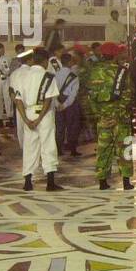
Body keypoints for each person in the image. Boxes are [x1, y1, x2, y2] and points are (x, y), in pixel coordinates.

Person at [84, 42, 135, 190]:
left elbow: (90, 97)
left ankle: (102, 181)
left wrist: (99, 114)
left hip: (103, 118)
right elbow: (127, 96)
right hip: (121, 118)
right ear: (115, 55)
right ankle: (126, 181)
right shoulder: (122, 72)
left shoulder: (93, 72)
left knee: (103, 149)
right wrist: (118, 113)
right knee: (125, 148)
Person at [11, 47, 62, 191]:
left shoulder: (22, 76)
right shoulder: (48, 76)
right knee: (48, 144)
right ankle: (50, 182)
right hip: (43, 115)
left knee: (29, 146)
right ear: (45, 61)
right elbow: (48, 100)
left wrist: (26, 120)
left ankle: (28, 181)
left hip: (27, 112)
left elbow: (18, 99)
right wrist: (39, 118)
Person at [54, 49, 84, 157]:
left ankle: (58, 150)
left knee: (59, 127)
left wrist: (58, 104)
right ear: (70, 62)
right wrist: (65, 105)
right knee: (72, 126)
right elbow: (73, 94)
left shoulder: (55, 75)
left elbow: (52, 91)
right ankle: (72, 150)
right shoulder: (74, 76)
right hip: (70, 104)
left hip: (58, 102)